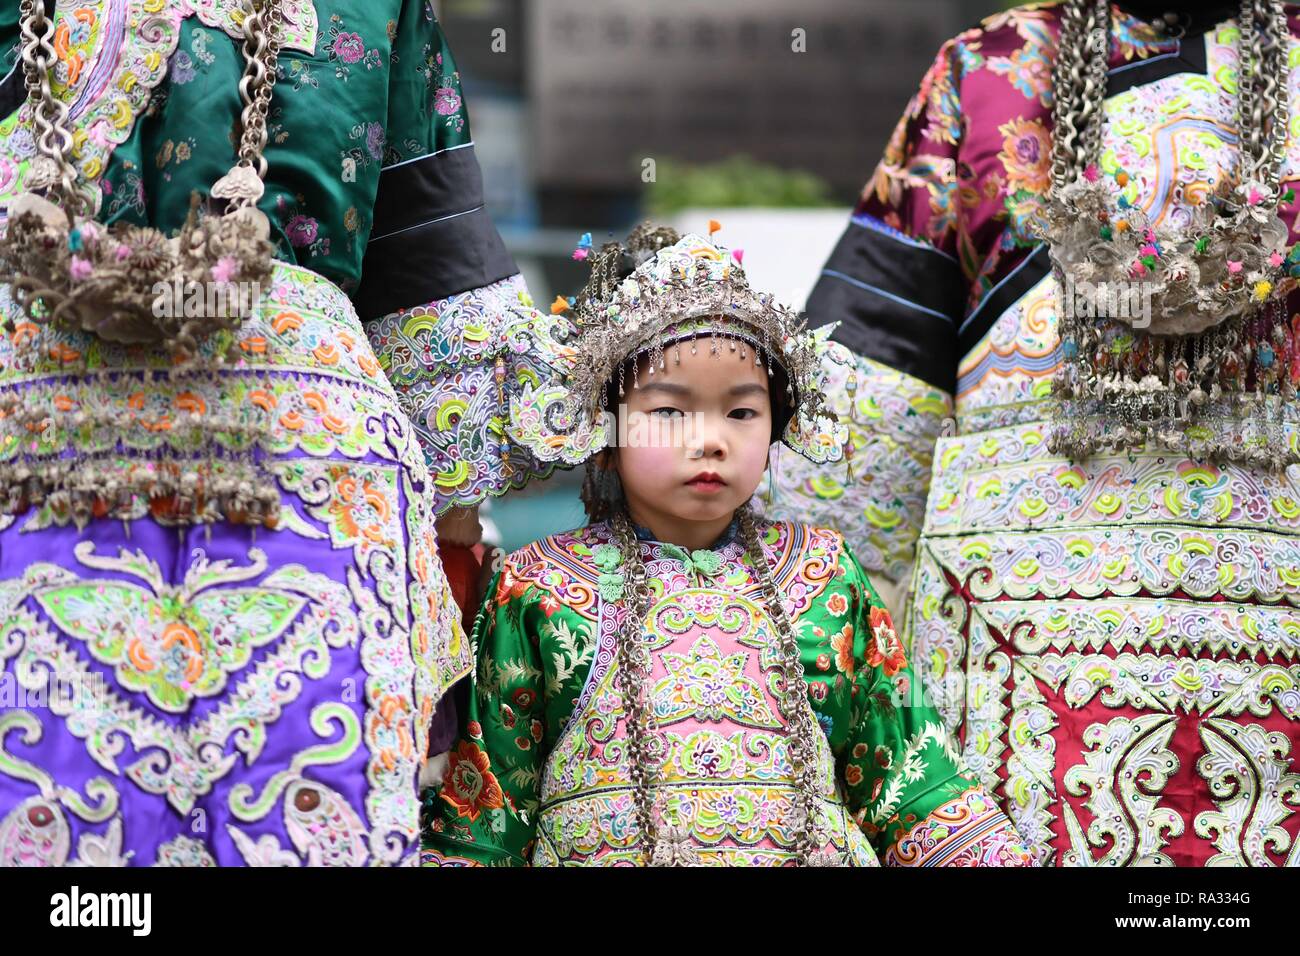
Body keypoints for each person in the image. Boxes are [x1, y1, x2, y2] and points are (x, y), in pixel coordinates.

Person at [0, 0, 556, 865]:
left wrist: (450, 557)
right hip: (32, 467)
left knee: (298, 794)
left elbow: (422, 268)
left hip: (309, 488)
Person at [765, 0, 1300, 865]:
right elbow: (864, 425)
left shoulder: (989, 66)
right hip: (1013, 693)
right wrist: (806, 642)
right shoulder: (984, 73)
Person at [421, 225, 1036, 866]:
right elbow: (486, 817)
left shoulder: (825, 576)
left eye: (741, 413)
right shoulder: (536, 587)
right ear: (606, 425)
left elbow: (912, 781)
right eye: (669, 412)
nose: (711, 440)